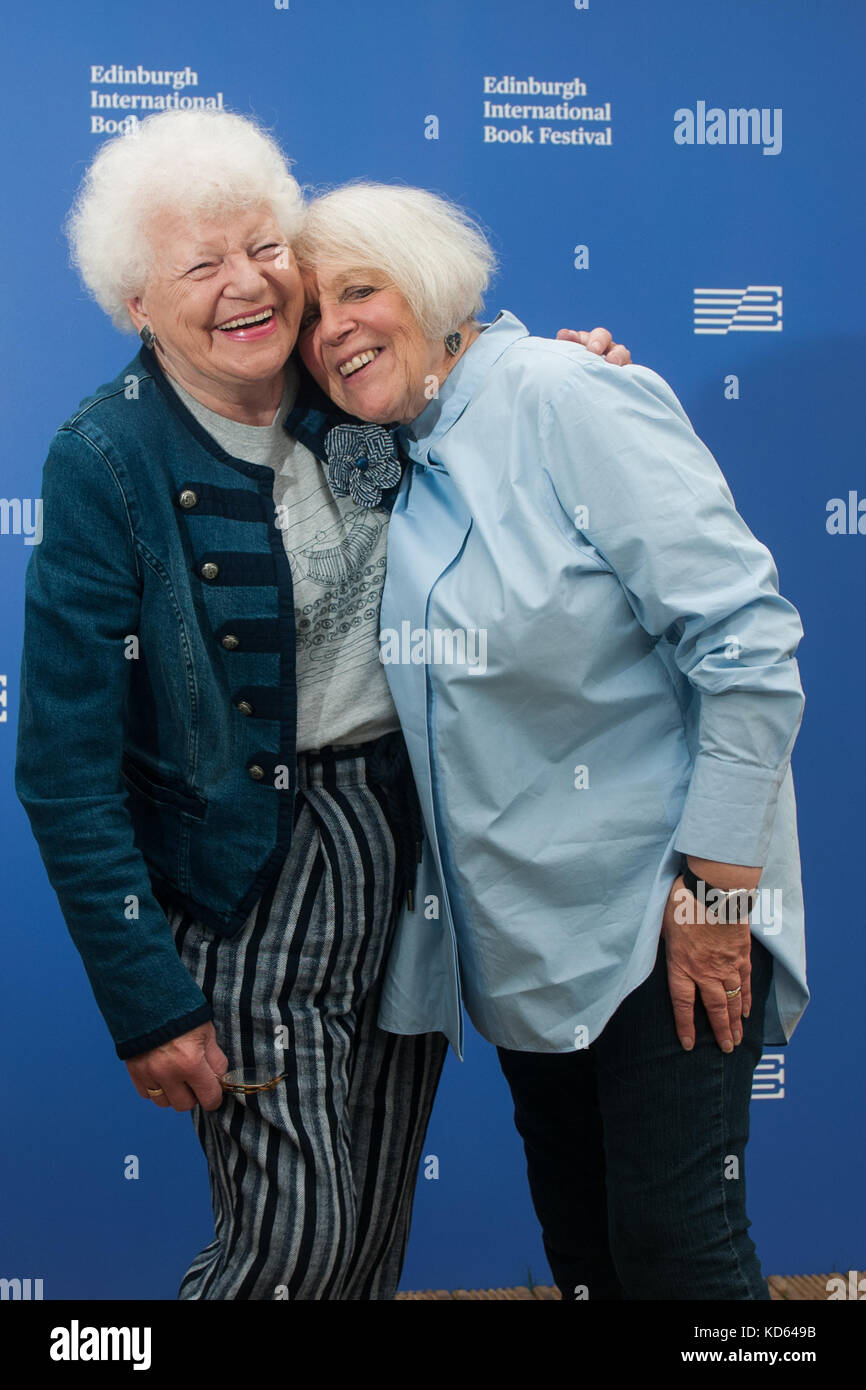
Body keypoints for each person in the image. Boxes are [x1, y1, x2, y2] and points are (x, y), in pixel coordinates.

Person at [14, 109, 626, 1301]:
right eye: (201, 266)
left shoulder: (337, 382)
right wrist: (145, 997)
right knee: (291, 1248)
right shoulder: (104, 461)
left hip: (405, 844)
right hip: (243, 873)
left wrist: (571, 380)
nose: (248, 285)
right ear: (136, 304)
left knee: (362, 1242)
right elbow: (64, 764)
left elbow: (473, 394)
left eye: (263, 247)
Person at [291, 181, 808, 1300]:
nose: (332, 329)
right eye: (310, 311)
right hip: (525, 948)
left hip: (660, 919)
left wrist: (715, 900)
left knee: (684, 1262)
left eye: (359, 290)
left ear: (429, 288)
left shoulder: (564, 393)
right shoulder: (388, 447)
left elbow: (749, 649)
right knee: (586, 1261)